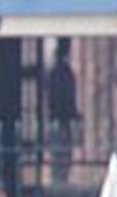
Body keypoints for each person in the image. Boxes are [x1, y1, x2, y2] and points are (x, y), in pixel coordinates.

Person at [47, 38, 80, 185]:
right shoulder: (62, 72)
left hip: (60, 116)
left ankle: (60, 177)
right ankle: (60, 177)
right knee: (62, 149)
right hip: (61, 117)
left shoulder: (58, 71)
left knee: (61, 148)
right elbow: (62, 96)